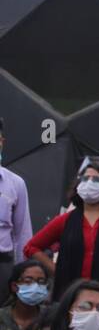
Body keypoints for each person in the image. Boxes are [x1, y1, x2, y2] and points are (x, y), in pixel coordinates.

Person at [24, 161, 99, 316]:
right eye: (85, 178)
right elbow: (31, 247)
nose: (89, 183)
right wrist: (56, 270)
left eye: (96, 180)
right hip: (70, 292)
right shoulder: (65, 220)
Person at [0, 117, 33, 293]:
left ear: (2, 142)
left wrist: (23, 274)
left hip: (2, 266)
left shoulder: (15, 183)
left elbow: (22, 234)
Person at [1, 259, 48, 330]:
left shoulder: (50, 316)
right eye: (28, 281)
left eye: (41, 281)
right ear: (14, 286)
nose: (35, 287)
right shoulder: (2, 318)